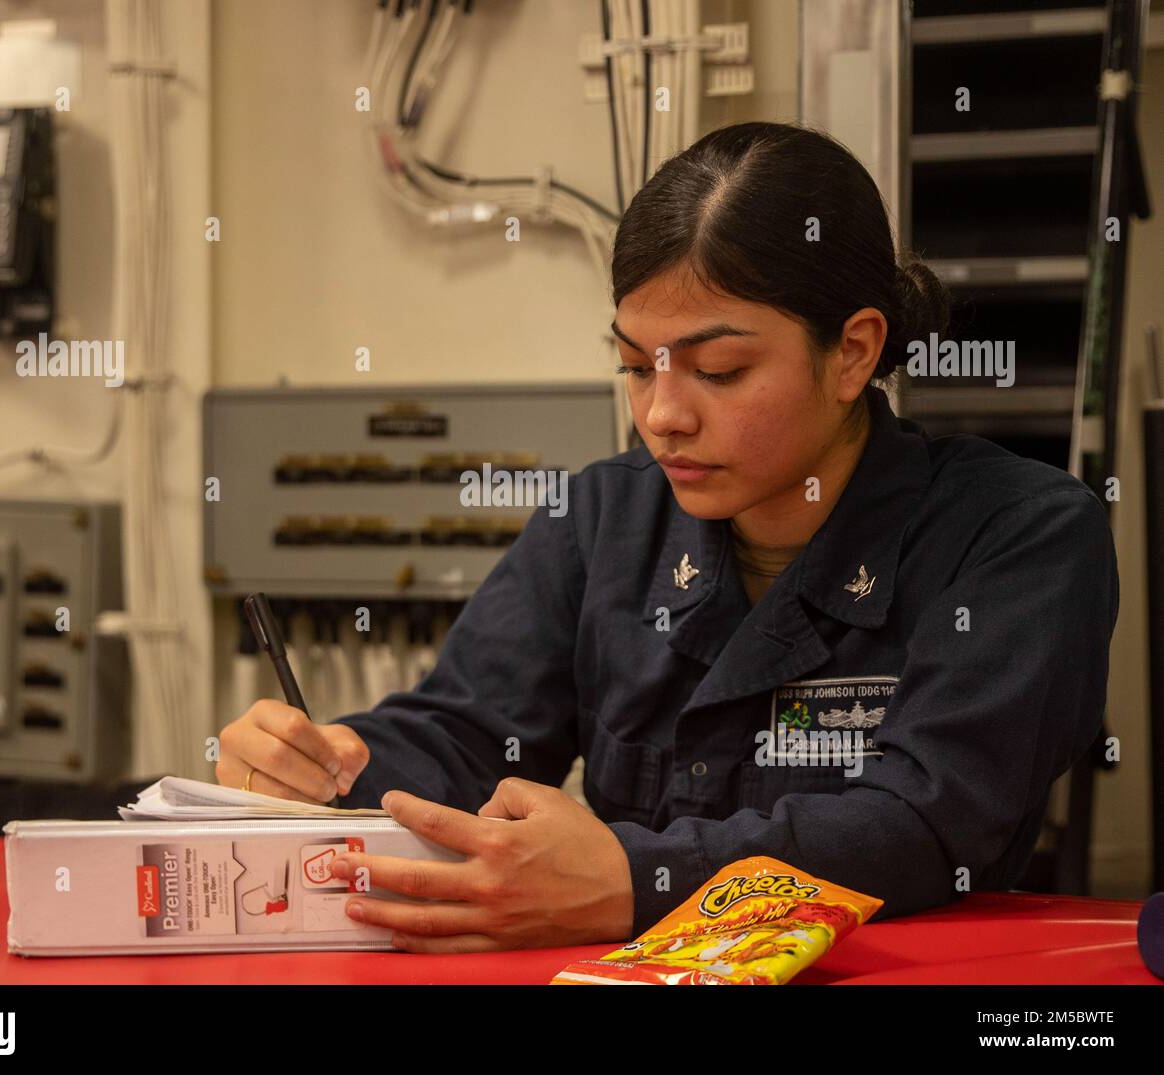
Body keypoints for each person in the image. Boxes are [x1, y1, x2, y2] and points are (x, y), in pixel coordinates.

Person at [215, 122, 1119, 952]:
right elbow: (466, 733)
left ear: (852, 351)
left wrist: (635, 880)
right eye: (633, 366)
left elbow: (920, 824)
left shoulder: (1020, 538)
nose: (662, 415)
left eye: (719, 370)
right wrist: (328, 764)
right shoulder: (605, 518)